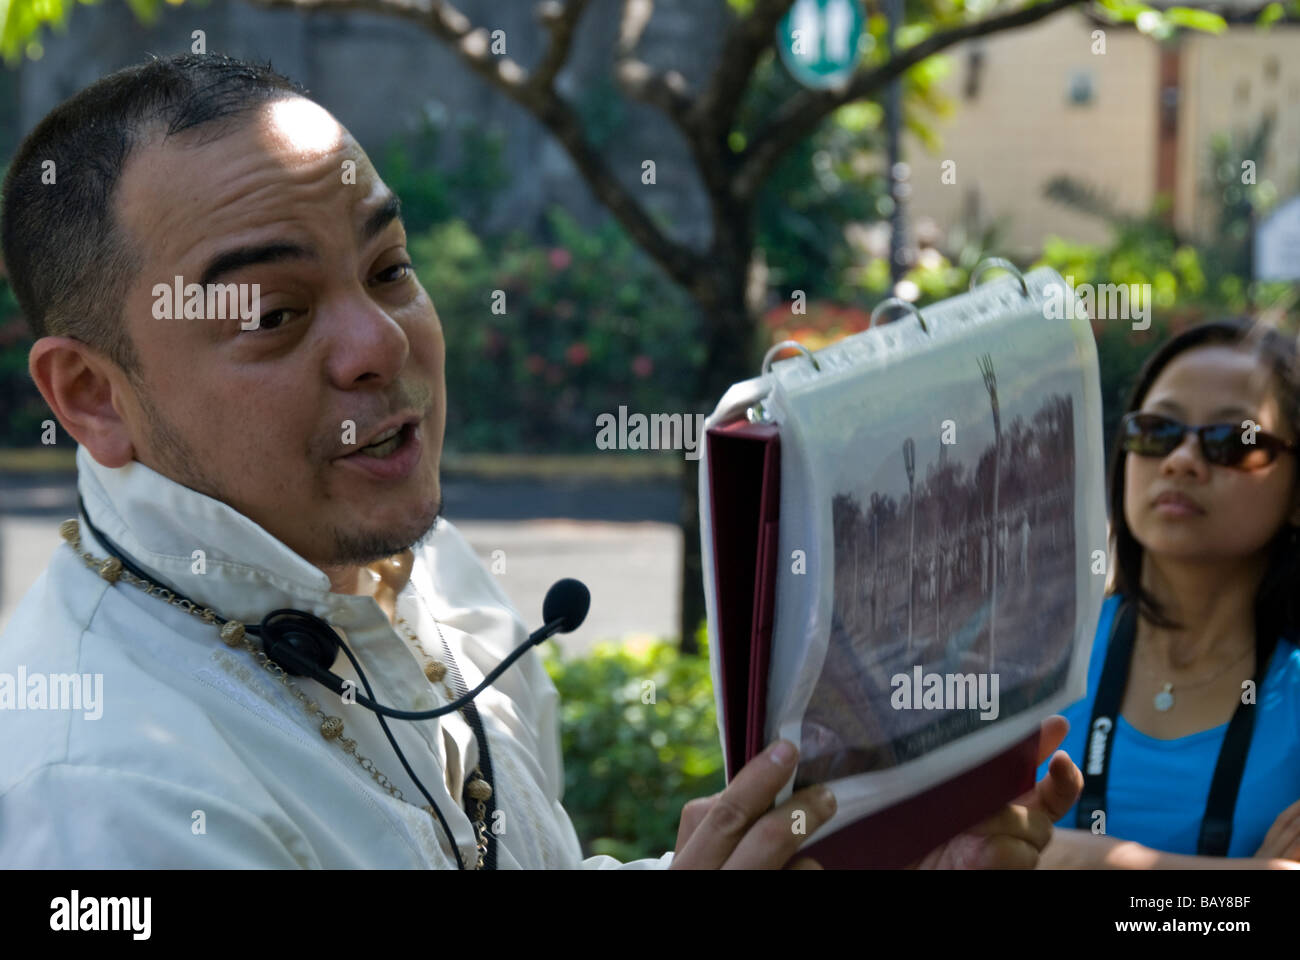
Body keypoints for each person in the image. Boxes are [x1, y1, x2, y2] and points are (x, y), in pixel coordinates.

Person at [0, 53, 1080, 869]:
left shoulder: (422, 569)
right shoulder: (102, 796)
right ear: (93, 395)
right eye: (276, 312)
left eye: (387, 267)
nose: (382, 343)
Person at [1037, 318, 1300, 868]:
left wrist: (1063, 856)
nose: (1181, 460)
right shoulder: (1031, 650)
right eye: (1157, 431)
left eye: (1231, 442)